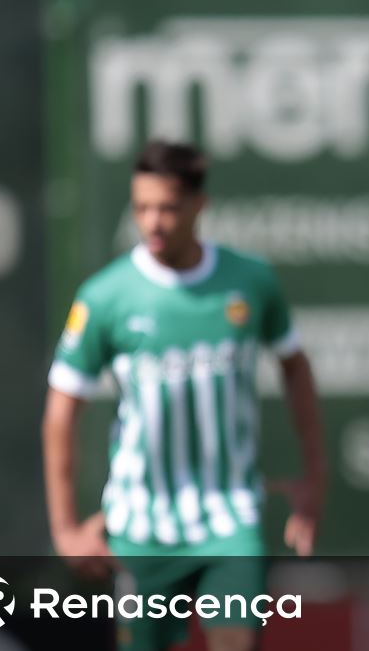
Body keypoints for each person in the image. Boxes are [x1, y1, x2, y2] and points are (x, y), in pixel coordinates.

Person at [42, 140, 327, 651]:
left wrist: (313, 476)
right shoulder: (106, 297)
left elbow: (296, 368)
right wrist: (65, 529)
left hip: (229, 517)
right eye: (142, 207)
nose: (153, 222)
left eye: (168, 207)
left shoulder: (249, 282)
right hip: (140, 524)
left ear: (200, 205)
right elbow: (61, 412)